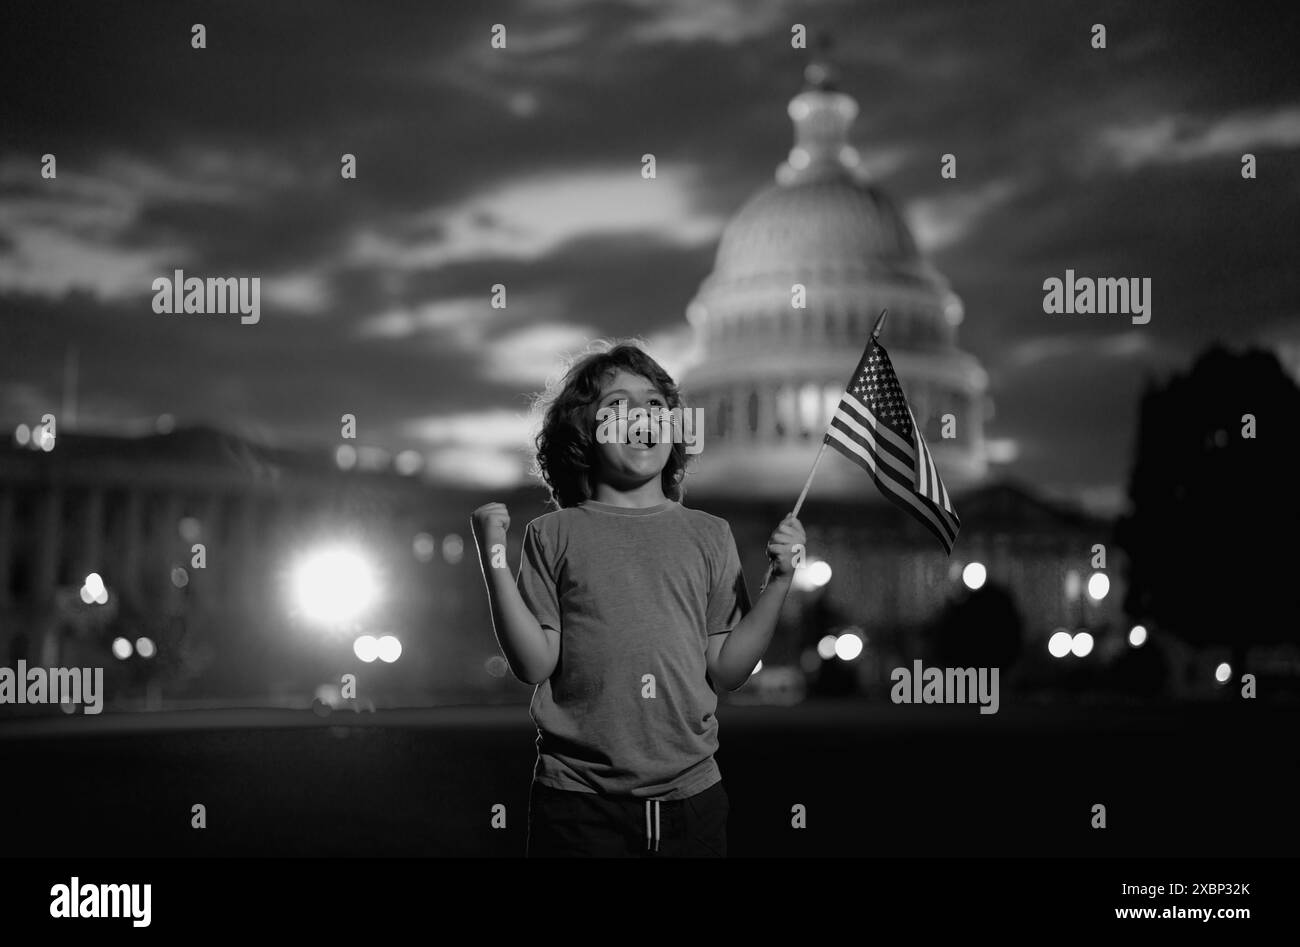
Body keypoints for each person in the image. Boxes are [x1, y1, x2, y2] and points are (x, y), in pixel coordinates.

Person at [471, 341, 804, 857]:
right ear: (583, 433)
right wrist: (493, 559)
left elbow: (728, 669)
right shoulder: (553, 534)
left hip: (690, 795)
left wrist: (780, 582)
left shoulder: (710, 534)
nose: (642, 417)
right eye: (617, 407)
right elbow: (534, 663)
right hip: (577, 799)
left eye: (655, 405)